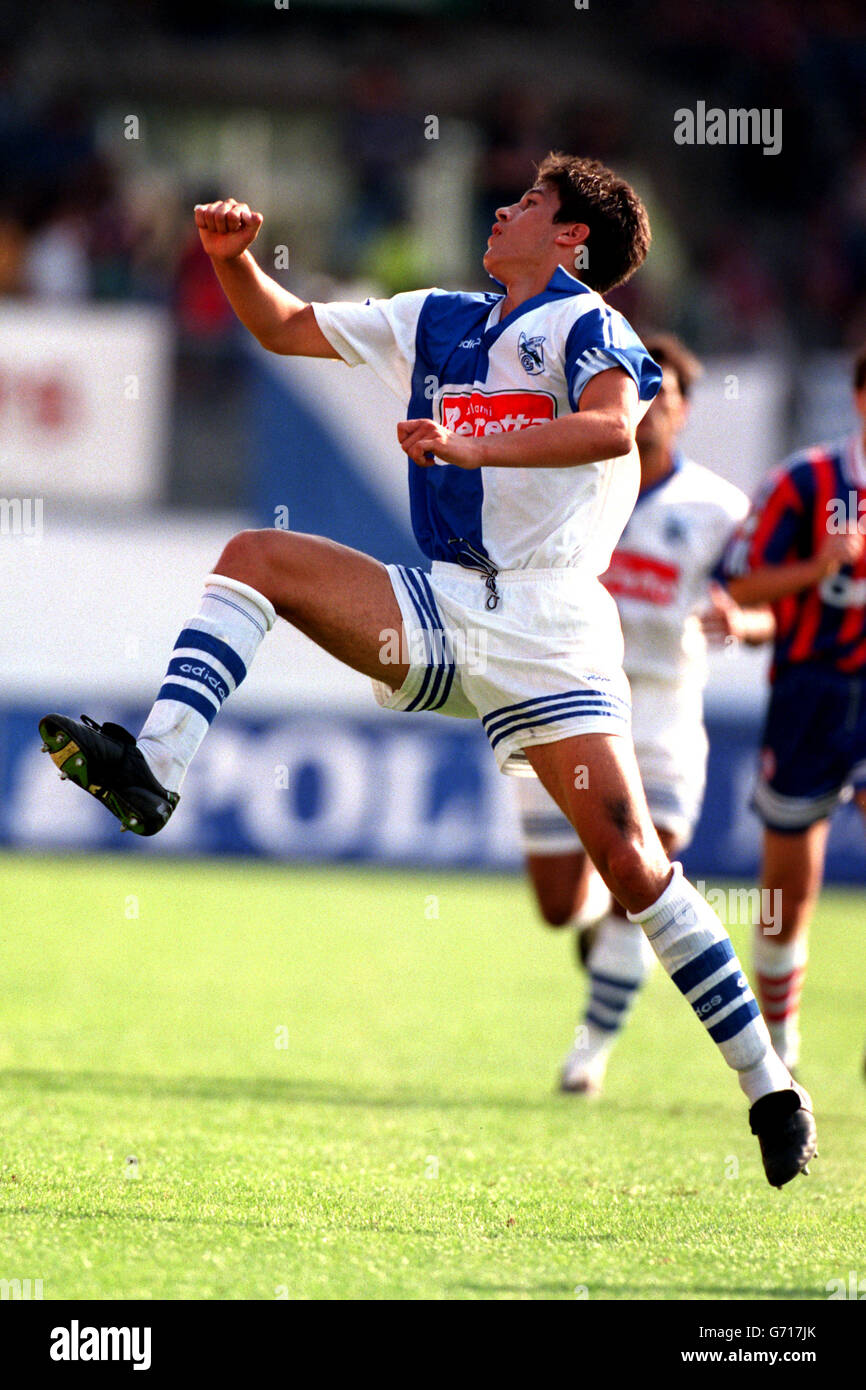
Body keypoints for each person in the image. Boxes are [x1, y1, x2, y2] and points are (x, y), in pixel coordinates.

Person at [39, 152, 815, 1186]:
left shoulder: (590, 327)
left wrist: (467, 446)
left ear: (570, 238)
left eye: (531, 202)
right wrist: (230, 262)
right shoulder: (437, 317)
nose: (505, 206)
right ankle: (154, 771)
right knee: (254, 558)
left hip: (548, 626)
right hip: (446, 605)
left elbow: (601, 427)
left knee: (630, 867)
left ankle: (767, 1086)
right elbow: (281, 325)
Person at [515, 333, 775, 1095]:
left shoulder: (720, 510)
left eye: (664, 395)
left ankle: (586, 1055)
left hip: (659, 712)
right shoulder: (573, 482)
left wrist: (744, 623)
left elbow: (766, 609)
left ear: (686, 412)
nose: (649, 409)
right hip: (564, 701)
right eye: (639, 391)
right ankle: (597, 914)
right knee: (560, 908)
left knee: (643, 887)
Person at [720, 345, 866, 1075]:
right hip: (811, 692)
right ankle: (779, 1042)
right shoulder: (805, 483)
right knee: (787, 887)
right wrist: (817, 566)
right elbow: (738, 589)